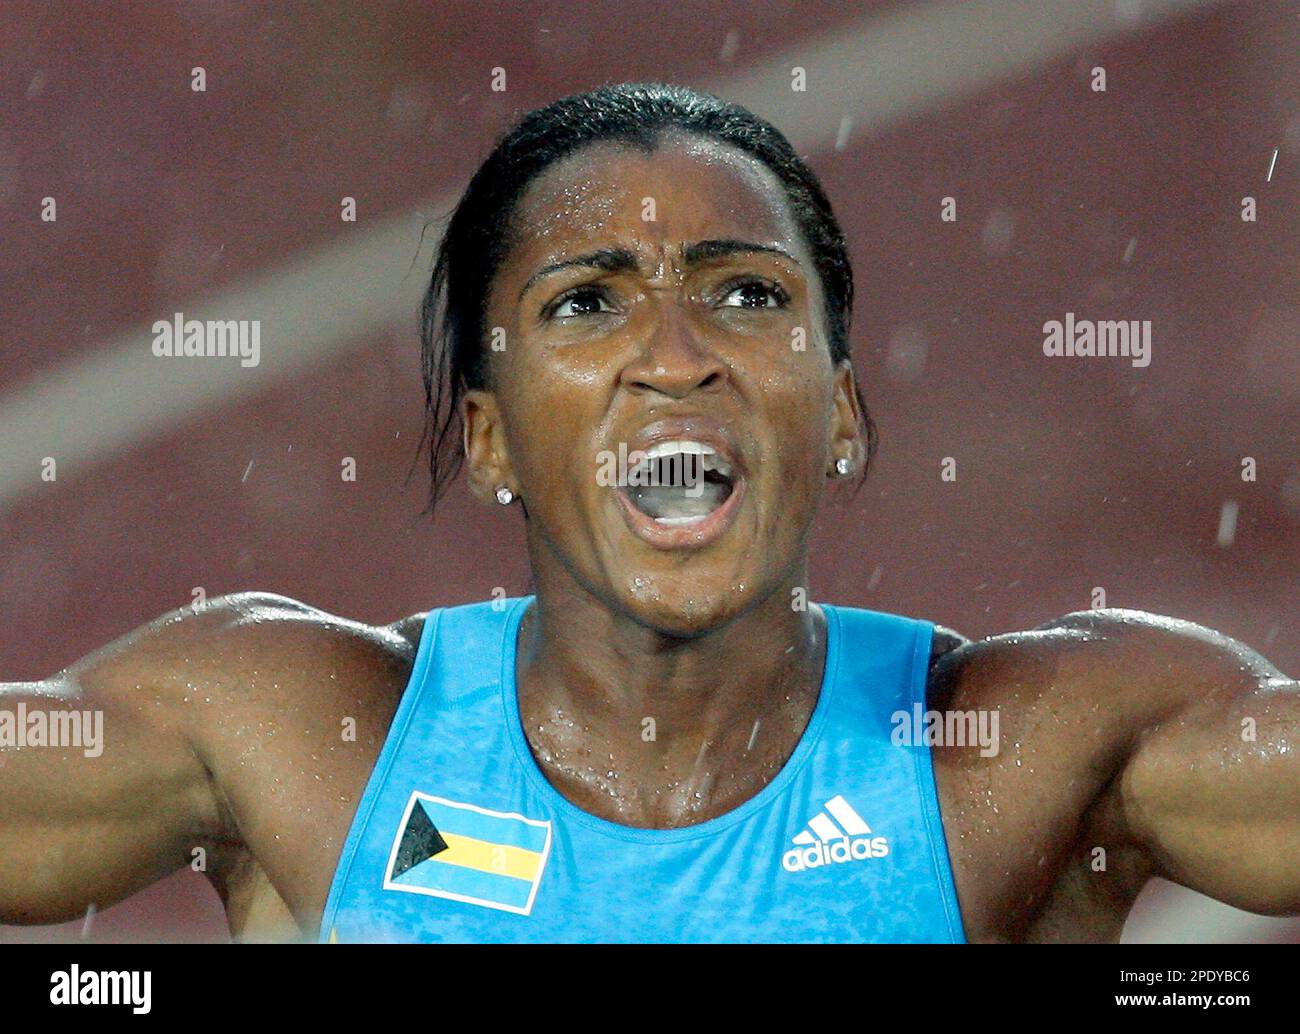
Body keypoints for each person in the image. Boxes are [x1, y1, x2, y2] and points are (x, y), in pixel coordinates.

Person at [1, 83, 1294, 943]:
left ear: (842, 413)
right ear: (491, 438)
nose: (676, 357)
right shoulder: (290, 742)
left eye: (747, 295)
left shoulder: (1027, 755)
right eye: (585, 302)